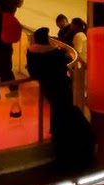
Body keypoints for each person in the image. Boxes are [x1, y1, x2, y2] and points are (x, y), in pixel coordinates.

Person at [25, 27, 94, 172]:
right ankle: (79, 148)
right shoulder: (55, 53)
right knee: (68, 113)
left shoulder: (31, 53)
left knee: (58, 115)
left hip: (48, 88)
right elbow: (62, 68)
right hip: (62, 86)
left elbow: (32, 71)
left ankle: (62, 149)